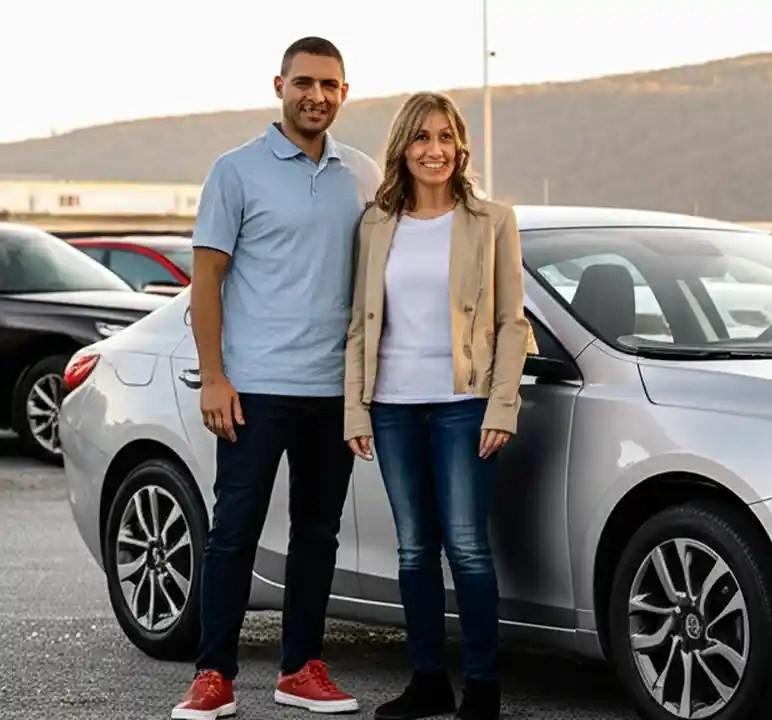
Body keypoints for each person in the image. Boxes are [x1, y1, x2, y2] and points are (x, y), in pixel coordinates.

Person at [170, 36, 381, 720]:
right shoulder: (235, 171)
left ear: (344, 93)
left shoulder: (363, 173)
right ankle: (214, 675)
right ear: (279, 86)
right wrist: (214, 378)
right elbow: (207, 279)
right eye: (304, 83)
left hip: (333, 391)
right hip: (254, 388)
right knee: (233, 529)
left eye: (329, 85)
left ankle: (300, 669)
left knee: (317, 533)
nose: (316, 95)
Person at [343, 91, 533, 720]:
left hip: (463, 404)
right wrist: (356, 410)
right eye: (422, 138)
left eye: (446, 137)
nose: (436, 151)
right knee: (413, 549)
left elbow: (512, 323)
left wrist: (501, 407)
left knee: (467, 547)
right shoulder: (376, 223)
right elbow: (360, 325)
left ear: (460, 147)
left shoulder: (490, 220)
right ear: (403, 147)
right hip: (394, 405)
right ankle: (428, 681)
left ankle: (481, 687)